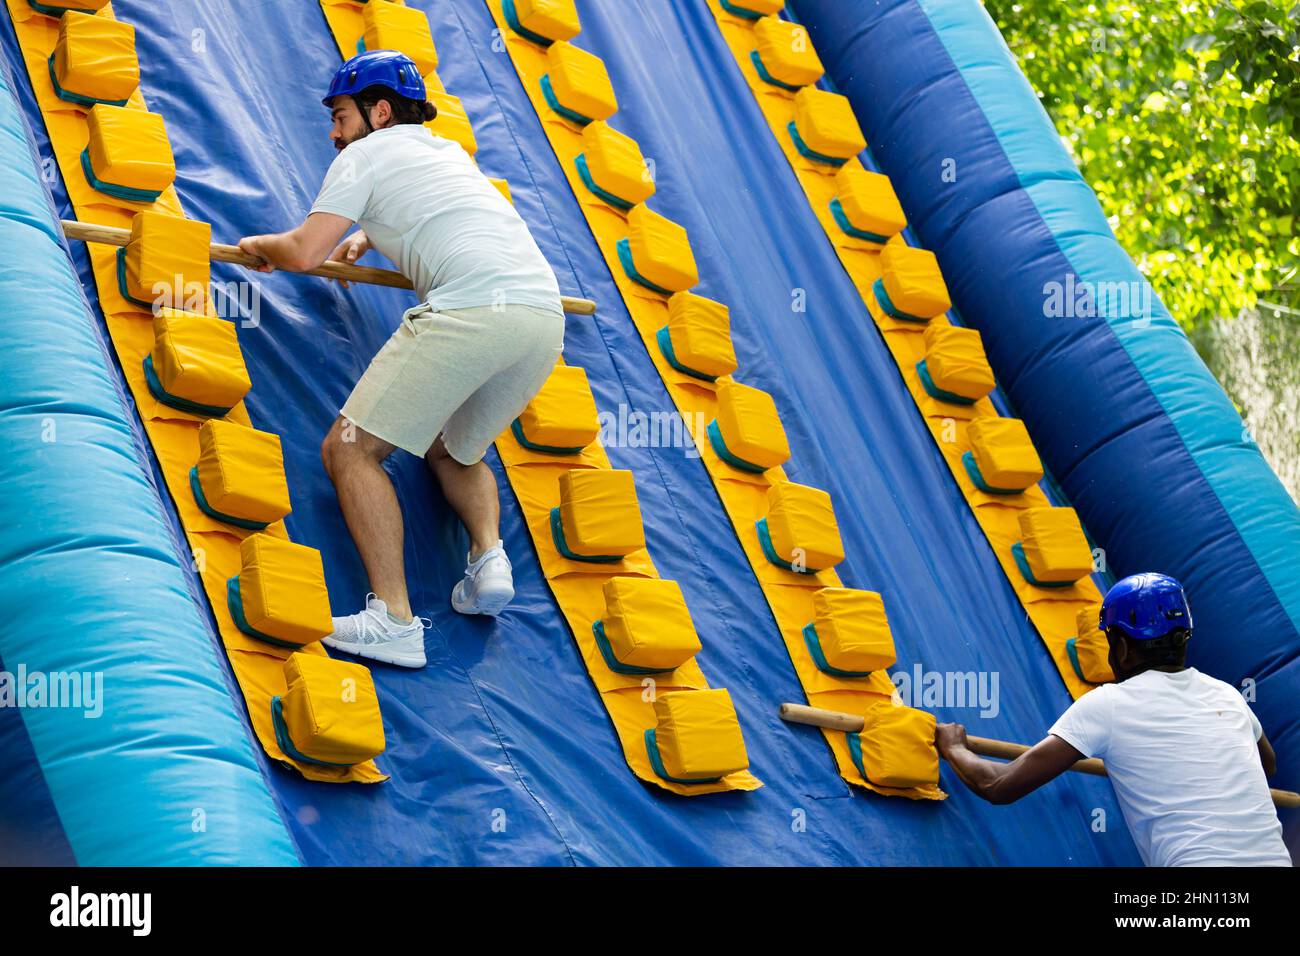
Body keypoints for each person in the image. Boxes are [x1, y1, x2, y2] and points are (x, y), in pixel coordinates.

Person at [237, 50, 565, 668]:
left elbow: (306, 252)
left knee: (350, 449)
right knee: (454, 449)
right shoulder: (447, 153)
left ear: (378, 110)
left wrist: (259, 245)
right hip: (540, 319)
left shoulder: (364, 154)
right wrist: (368, 234)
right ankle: (488, 557)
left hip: (470, 312)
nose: (334, 133)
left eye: (339, 115)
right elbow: (441, 216)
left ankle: (392, 619)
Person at [936, 572, 1291, 866]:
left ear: (1121, 647)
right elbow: (1267, 764)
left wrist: (954, 748)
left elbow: (998, 786)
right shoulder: (1227, 695)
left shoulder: (1109, 705)